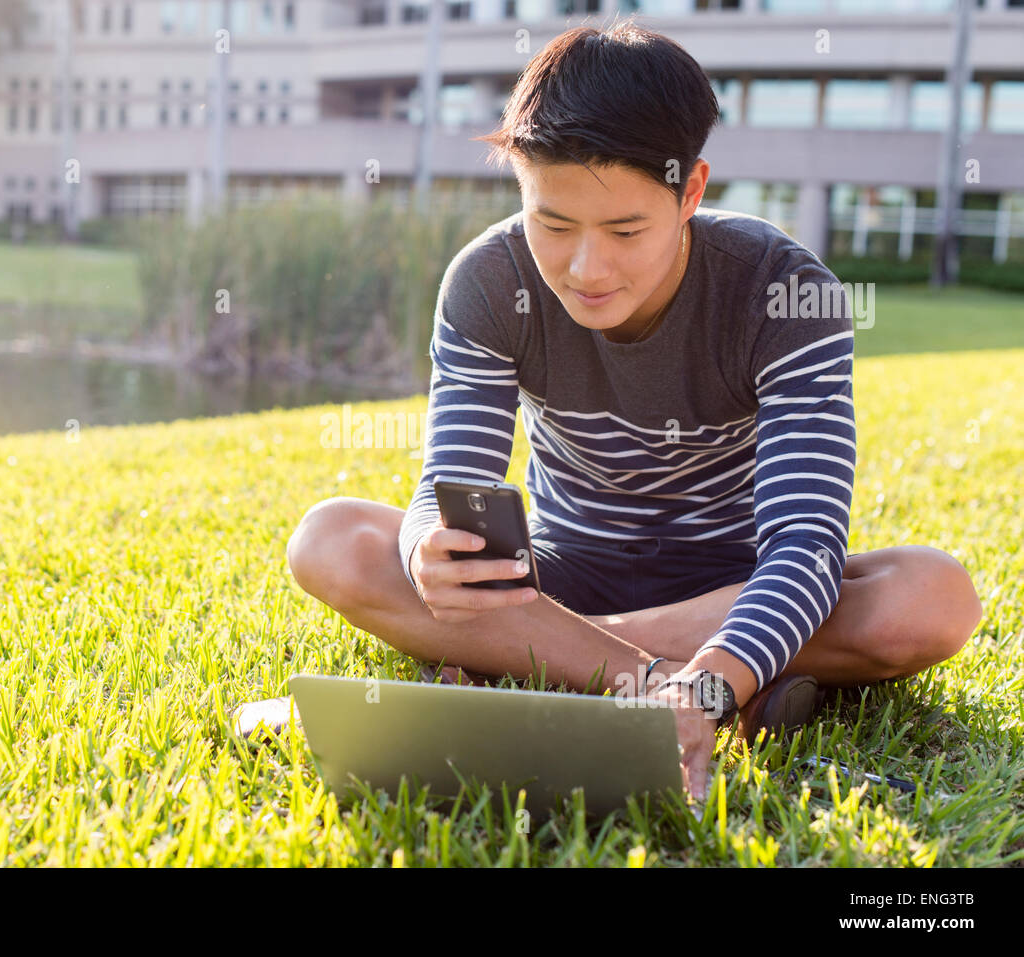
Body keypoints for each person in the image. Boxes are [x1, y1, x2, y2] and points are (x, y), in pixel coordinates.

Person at [255, 19, 982, 809]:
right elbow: (447, 481)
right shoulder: (488, 283)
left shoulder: (785, 293)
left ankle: (538, 667)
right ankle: (662, 676)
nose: (585, 268)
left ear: (691, 191)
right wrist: (431, 540)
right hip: (555, 582)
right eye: (552, 224)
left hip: (729, 587)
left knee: (932, 596)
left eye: (626, 230)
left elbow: (805, 543)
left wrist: (710, 679)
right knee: (330, 539)